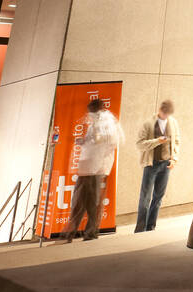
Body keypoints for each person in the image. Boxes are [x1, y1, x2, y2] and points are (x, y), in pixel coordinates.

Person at [63, 99, 123, 242]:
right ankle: (70, 232)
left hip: (97, 168)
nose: (90, 115)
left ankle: (90, 233)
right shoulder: (95, 123)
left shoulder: (108, 122)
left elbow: (111, 141)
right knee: (79, 200)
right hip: (87, 167)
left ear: (99, 110)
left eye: (92, 112)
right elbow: (92, 140)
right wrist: (83, 141)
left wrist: (96, 140)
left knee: (92, 202)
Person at [135, 100, 180, 232]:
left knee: (159, 197)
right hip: (151, 164)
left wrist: (174, 159)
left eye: (168, 114)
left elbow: (177, 141)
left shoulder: (173, 122)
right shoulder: (149, 123)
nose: (166, 116)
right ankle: (140, 228)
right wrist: (156, 141)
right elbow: (139, 144)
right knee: (145, 198)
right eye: (164, 113)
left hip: (166, 163)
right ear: (160, 110)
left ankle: (151, 227)